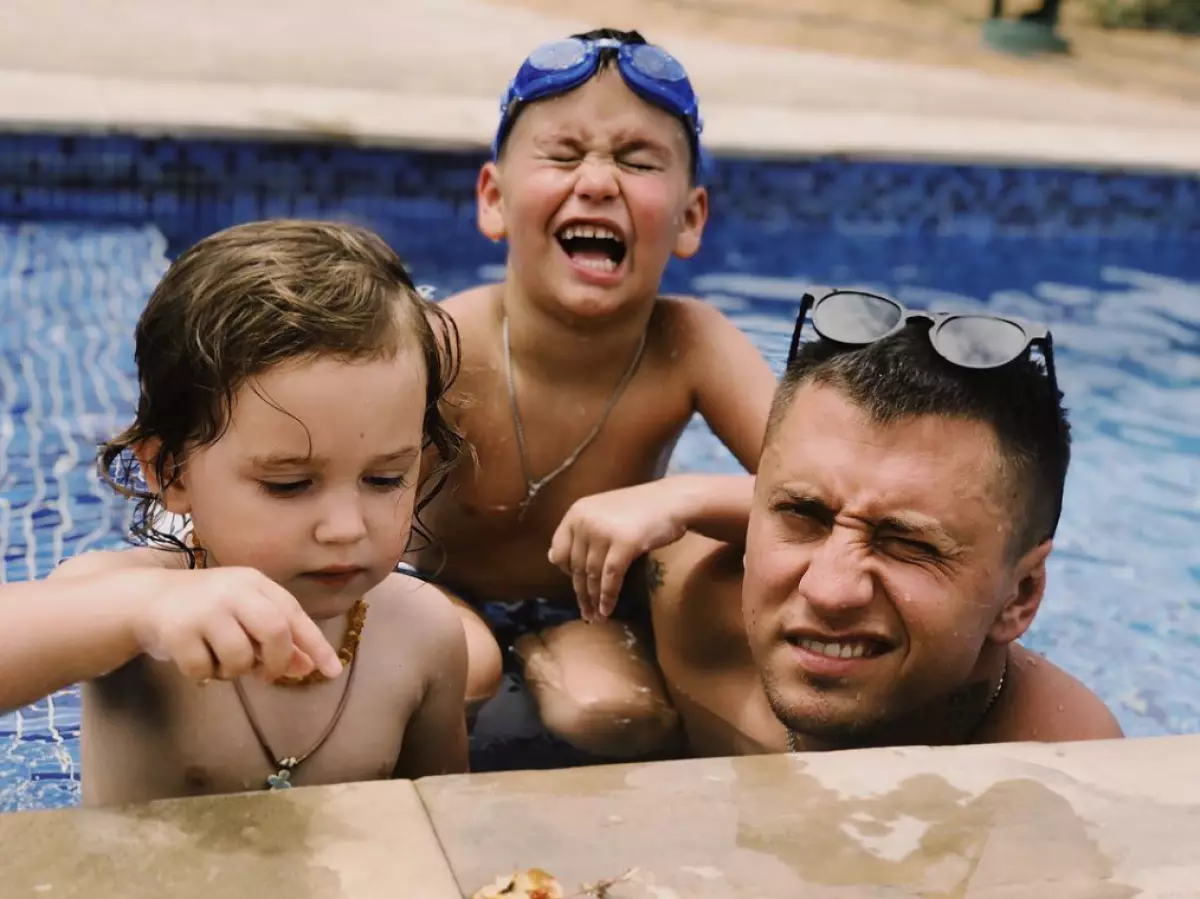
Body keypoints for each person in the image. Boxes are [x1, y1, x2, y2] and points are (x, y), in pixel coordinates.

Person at [0, 220, 471, 805]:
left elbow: (447, 834)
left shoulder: (423, 636)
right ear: (173, 474)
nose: (347, 527)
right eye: (290, 484)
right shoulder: (129, 607)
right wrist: (138, 612)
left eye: (383, 478)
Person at [405, 28, 777, 761]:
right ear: (494, 199)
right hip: (433, 590)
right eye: (563, 155)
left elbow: (830, 493)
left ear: (690, 219)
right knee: (463, 665)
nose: (600, 181)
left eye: (638, 161)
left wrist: (683, 499)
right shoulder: (438, 343)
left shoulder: (691, 344)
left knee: (613, 712)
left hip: (589, 609)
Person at [649, 289, 1124, 756]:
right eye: (802, 516)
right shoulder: (682, 602)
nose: (829, 592)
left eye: (907, 544)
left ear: (1019, 597)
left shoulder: (1064, 763)